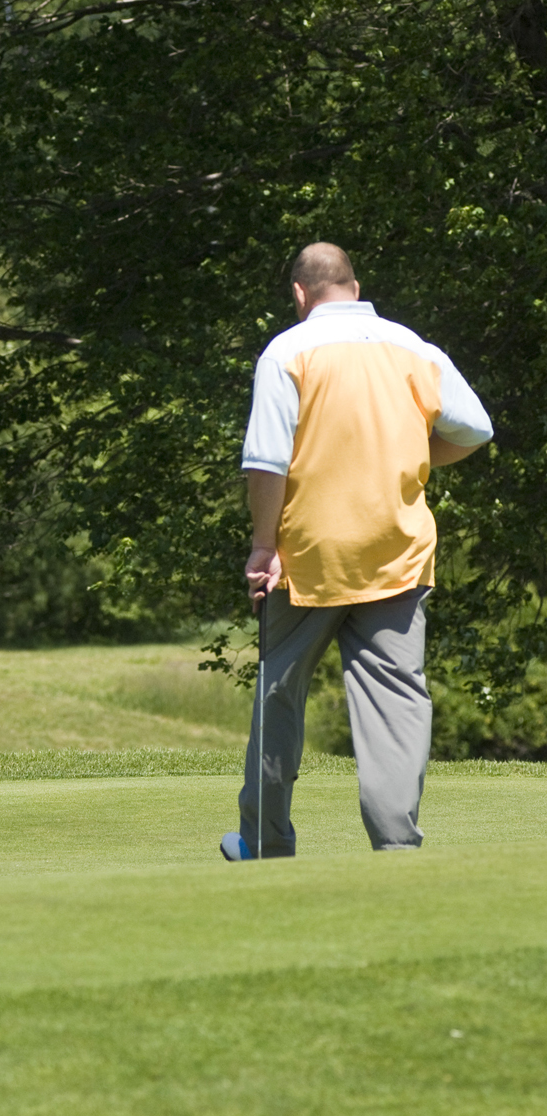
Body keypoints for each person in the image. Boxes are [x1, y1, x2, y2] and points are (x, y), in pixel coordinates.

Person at [224, 243, 493, 860]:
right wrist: (417, 454)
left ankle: (264, 842)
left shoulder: (287, 351)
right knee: (396, 702)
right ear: (355, 286)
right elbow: (475, 429)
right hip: (397, 550)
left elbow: (266, 462)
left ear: (300, 293)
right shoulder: (413, 347)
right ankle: (397, 848)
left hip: (309, 556)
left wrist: (263, 546)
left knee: (279, 693)